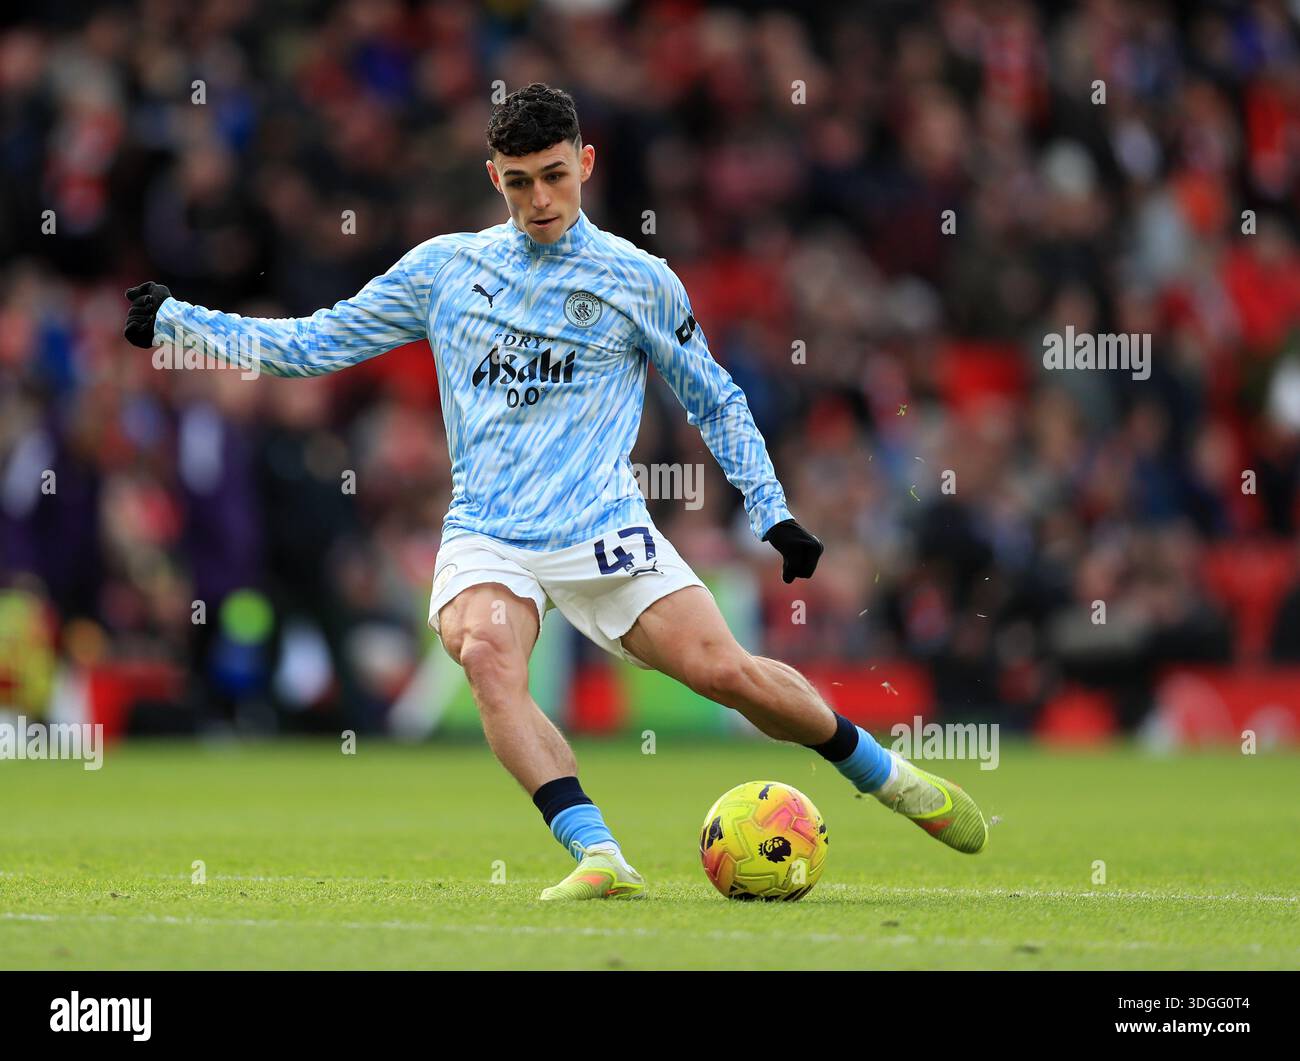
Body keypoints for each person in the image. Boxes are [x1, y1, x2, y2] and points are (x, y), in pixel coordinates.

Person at [124, 83, 988, 901]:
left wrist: (775, 512)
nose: (540, 199)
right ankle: (598, 852)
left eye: (556, 176)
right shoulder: (444, 272)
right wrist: (177, 322)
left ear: (587, 162)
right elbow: (311, 345)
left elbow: (714, 398)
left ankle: (892, 777)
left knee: (728, 674)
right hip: (488, 533)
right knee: (486, 655)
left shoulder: (636, 279)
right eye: (521, 182)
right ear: (493, 177)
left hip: (601, 524)